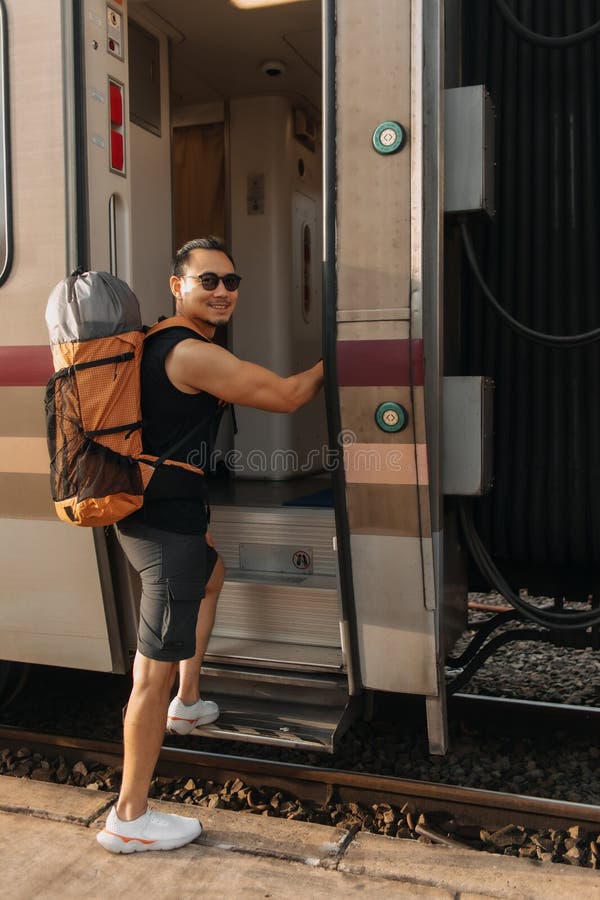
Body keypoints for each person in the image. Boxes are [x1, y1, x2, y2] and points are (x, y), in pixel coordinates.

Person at [96, 237, 324, 854]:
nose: (222, 291)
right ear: (178, 286)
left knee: (211, 573)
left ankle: (189, 701)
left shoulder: (164, 341)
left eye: (231, 281)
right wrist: (339, 354)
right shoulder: (189, 352)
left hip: (169, 513)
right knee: (151, 673)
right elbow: (287, 396)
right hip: (163, 526)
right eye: (208, 281)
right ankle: (129, 818)